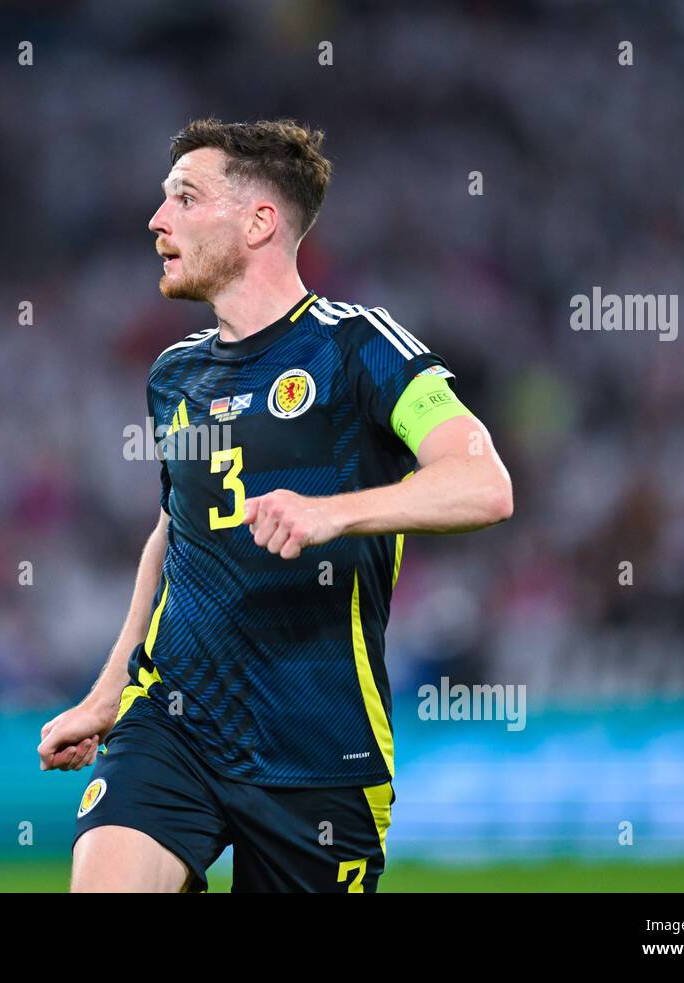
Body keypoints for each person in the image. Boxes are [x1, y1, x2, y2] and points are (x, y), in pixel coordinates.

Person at [39, 118, 513, 892]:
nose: (157, 221)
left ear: (259, 222)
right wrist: (112, 689)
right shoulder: (174, 375)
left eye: (185, 199)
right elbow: (174, 531)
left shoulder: (360, 347)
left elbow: (485, 485)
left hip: (317, 750)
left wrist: (336, 512)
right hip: (176, 724)